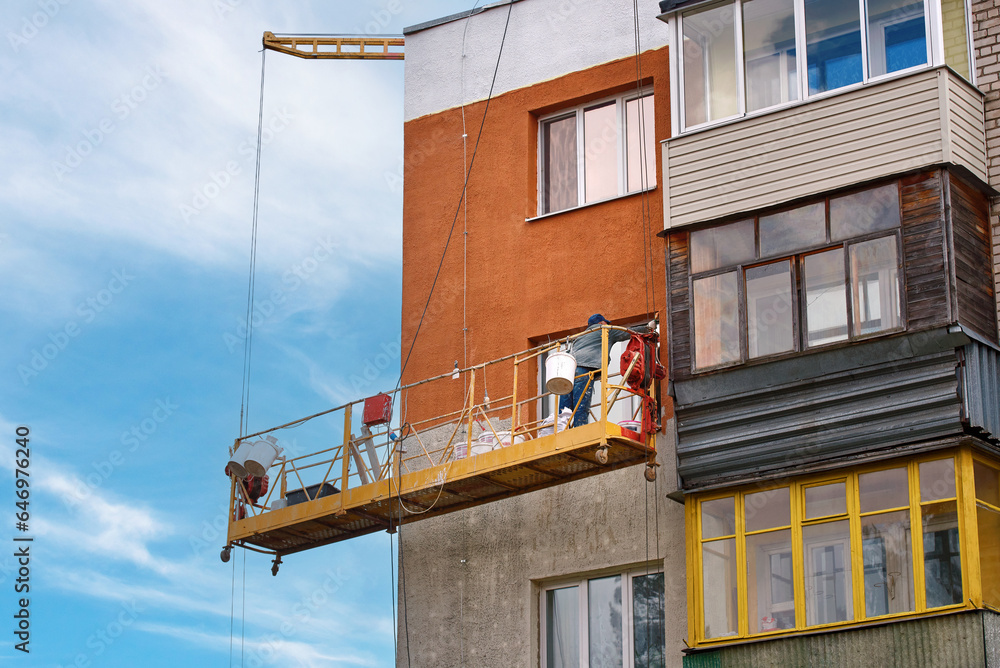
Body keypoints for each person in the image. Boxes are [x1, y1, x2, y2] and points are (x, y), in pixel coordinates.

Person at [558, 314, 653, 428]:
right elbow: (627, 332)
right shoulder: (604, 330)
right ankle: (580, 429)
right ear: (601, 323)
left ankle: (560, 430)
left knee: (565, 409)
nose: (608, 325)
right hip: (585, 368)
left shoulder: (580, 337)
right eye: (606, 323)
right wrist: (648, 328)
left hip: (569, 371)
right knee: (581, 405)